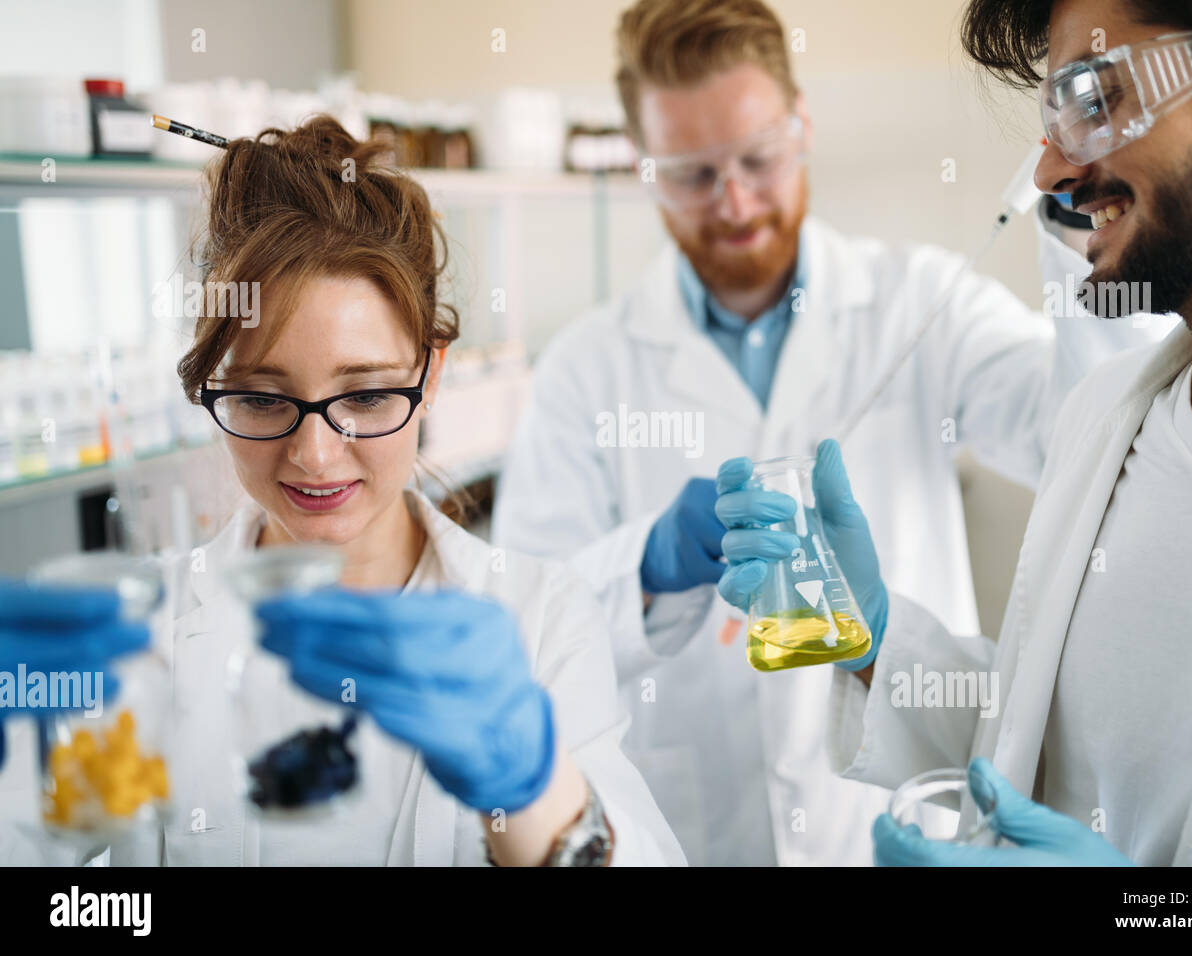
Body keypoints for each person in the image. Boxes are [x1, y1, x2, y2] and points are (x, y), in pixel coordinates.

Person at [491, 0, 1172, 865]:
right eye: (693, 174)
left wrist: (1089, 231)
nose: (734, 202)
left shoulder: (920, 301)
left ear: (801, 126)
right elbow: (520, 628)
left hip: (888, 822)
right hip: (695, 831)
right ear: (644, 167)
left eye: (758, 158)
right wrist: (645, 570)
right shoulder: (587, 369)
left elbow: (1089, 437)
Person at [0, 117, 684, 867]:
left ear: (431, 375)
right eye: (262, 399)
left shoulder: (541, 620)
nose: (316, 455)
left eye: (363, 397)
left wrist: (540, 796)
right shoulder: (146, 639)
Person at [717, 0, 1192, 865]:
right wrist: (879, 641)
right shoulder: (1108, 418)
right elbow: (1044, 745)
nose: (1051, 171)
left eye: (1096, 98)